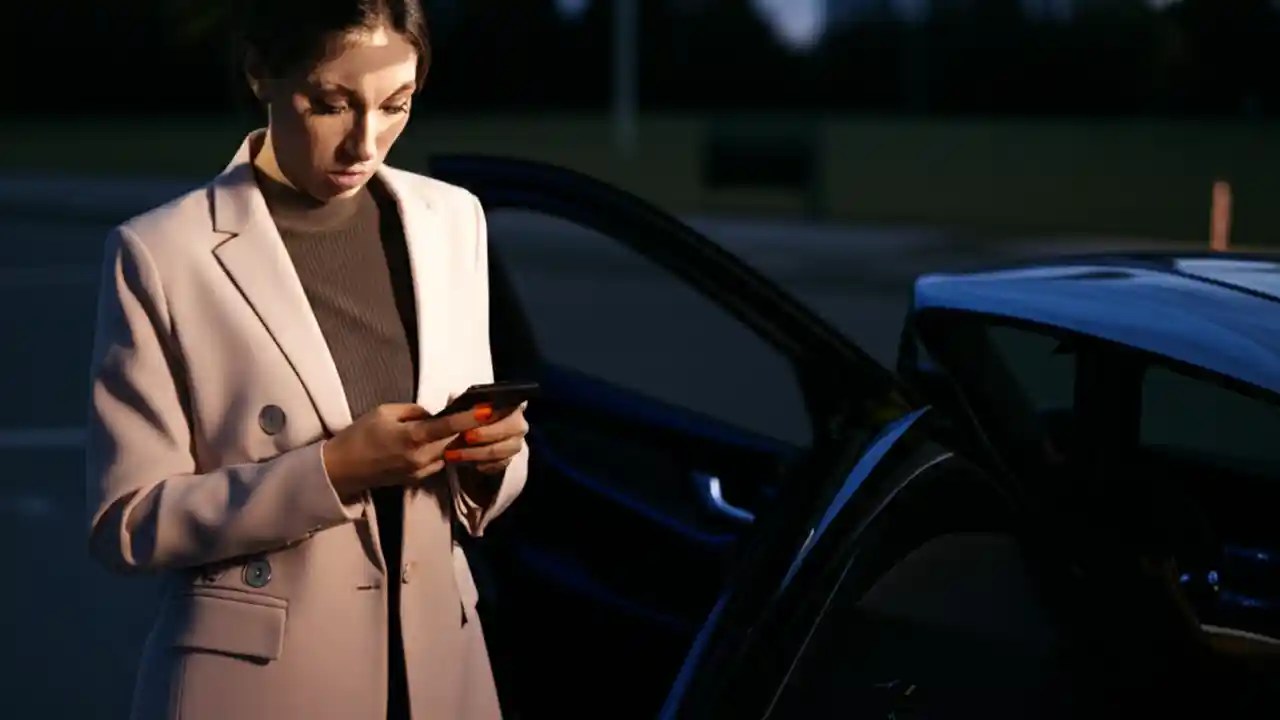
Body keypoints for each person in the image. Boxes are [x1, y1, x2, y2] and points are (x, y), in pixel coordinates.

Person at [84, 1, 529, 718]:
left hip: (441, 675)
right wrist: (331, 473)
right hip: (261, 683)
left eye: (397, 105)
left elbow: (478, 487)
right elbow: (125, 522)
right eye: (330, 104)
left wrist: (492, 455)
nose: (366, 141)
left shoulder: (452, 220)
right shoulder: (162, 253)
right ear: (260, 72)